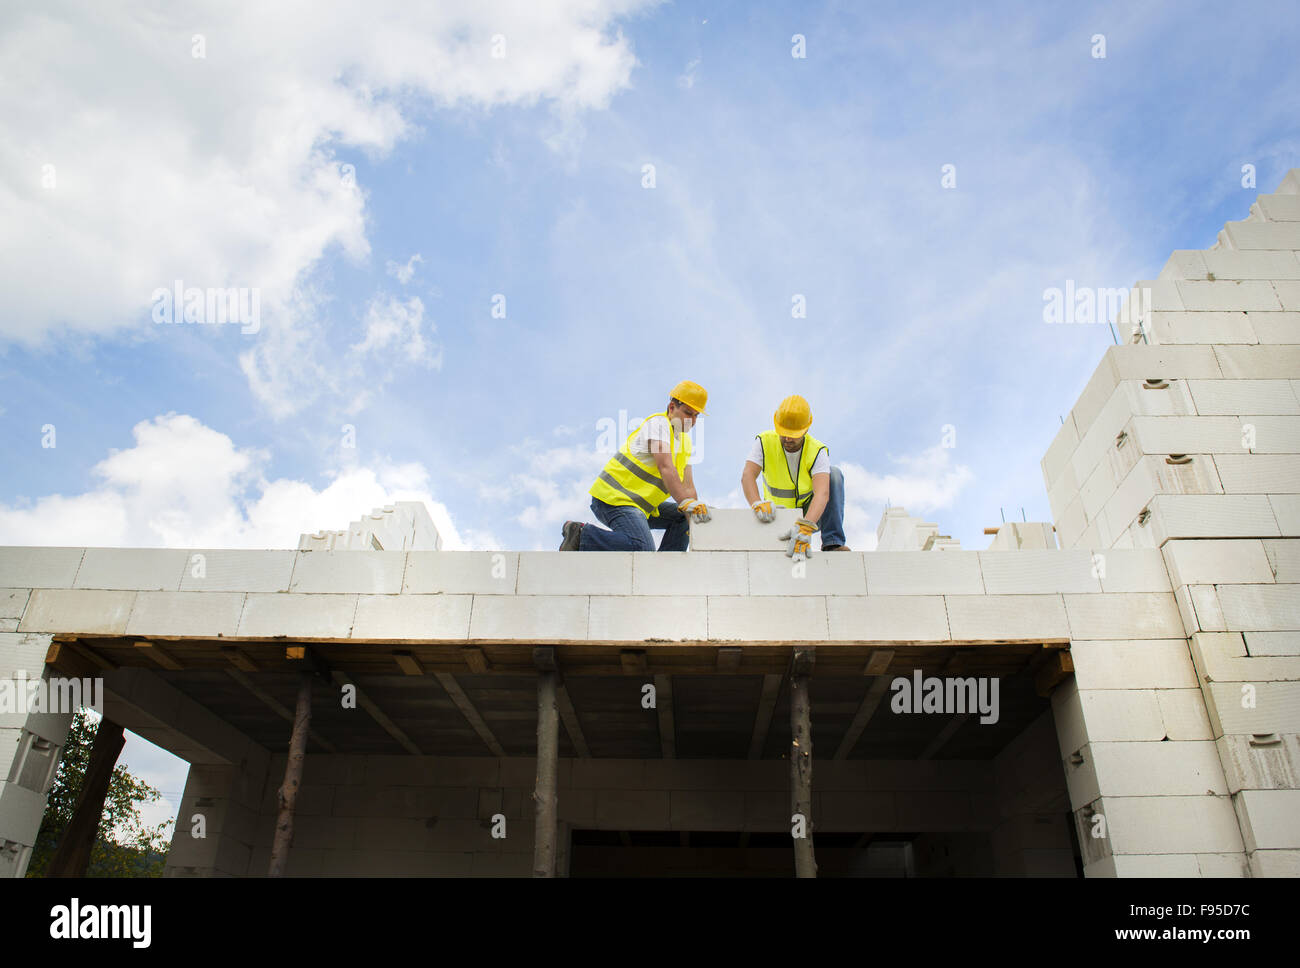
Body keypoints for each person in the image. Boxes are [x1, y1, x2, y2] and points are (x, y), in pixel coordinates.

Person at [560, 381, 712, 551]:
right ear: (671, 407)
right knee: (642, 548)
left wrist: (695, 512)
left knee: (683, 518)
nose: (691, 420)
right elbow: (665, 466)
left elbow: (689, 487)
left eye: (696, 415)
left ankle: (665, 568)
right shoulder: (658, 424)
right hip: (613, 499)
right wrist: (685, 502)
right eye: (687, 413)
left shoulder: (685, 443)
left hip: (640, 506)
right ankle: (581, 534)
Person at [741, 394, 849, 560]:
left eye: (793, 434)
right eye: (783, 432)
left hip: (810, 515)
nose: (787, 438)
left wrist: (806, 527)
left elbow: (822, 493)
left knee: (834, 474)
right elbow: (748, 475)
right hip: (776, 514)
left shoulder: (817, 450)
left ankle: (832, 543)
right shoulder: (764, 442)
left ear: (806, 428)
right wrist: (756, 503)